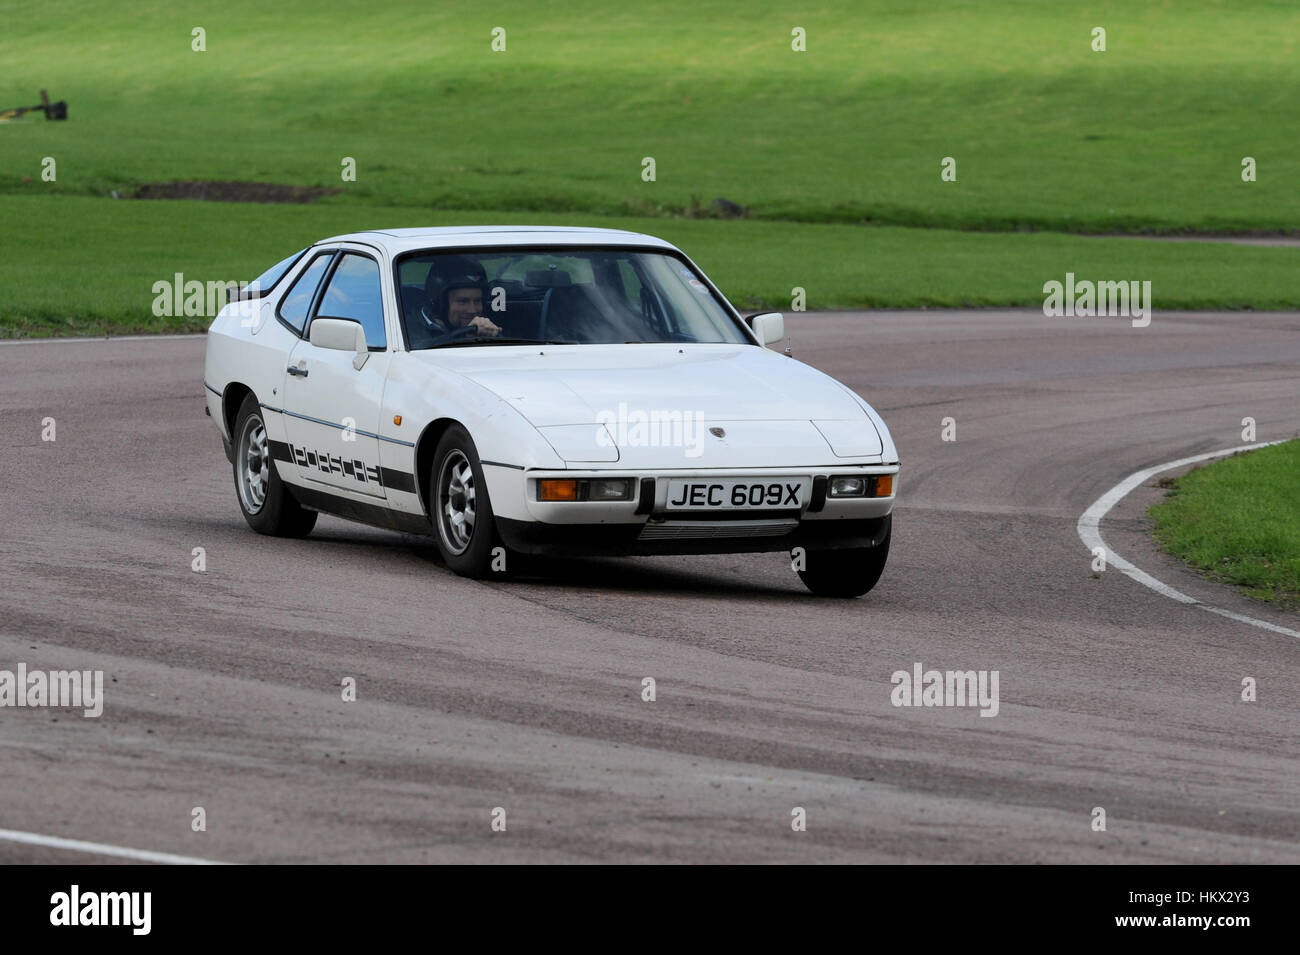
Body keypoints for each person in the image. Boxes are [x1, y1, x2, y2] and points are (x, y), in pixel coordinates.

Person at [419, 257, 502, 341]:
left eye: (477, 301)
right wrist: (464, 336)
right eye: (463, 301)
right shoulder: (410, 332)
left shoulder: (488, 325)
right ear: (438, 304)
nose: (472, 310)